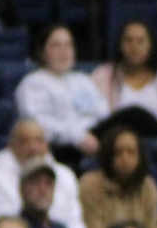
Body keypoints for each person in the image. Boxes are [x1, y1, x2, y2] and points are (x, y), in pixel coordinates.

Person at [0, 119, 88, 228]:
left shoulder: (65, 175)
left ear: (47, 145)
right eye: (25, 142)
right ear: (11, 146)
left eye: (39, 141)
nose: (33, 148)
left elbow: (74, 220)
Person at [15, 25, 109, 163]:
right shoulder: (33, 83)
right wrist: (77, 136)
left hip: (97, 137)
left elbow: (103, 111)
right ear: (42, 52)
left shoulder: (83, 80)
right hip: (61, 149)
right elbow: (38, 124)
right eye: (56, 45)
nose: (63, 51)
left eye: (68, 45)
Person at [88, 20, 157, 128]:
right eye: (128, 40)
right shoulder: (103, 77)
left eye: (140, 41)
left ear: (151, 45)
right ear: (120, 46)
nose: (134, 47)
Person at [79, 127, 157, 228]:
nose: (125, 158)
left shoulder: (148, 187)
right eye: (119, 152)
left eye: (131, 152)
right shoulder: (90, 185)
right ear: (109, 155)